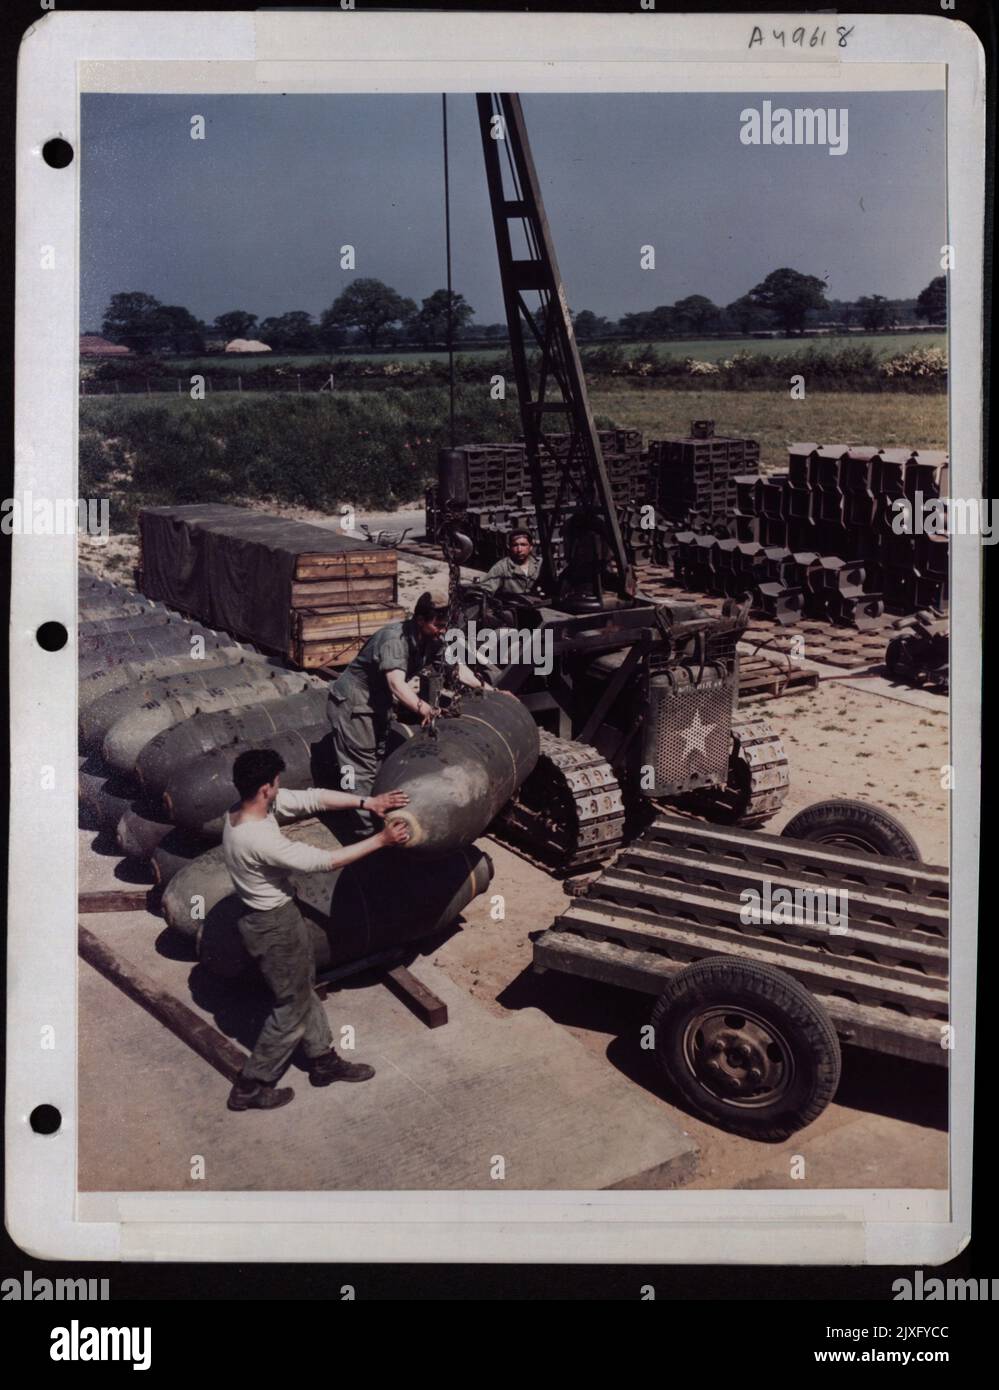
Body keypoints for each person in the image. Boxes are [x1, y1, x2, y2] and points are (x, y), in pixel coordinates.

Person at [222, 747, 410, 1112]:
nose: (280, 788)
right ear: (265, 788)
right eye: (276, 784)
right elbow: (323, 861)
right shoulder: (256, 837)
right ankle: (251, 1084)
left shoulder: (241, 810)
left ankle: (322, 1062)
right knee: (291, 1005)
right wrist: (382, 841)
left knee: (301, 988)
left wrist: (367, 802)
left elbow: (312, 799)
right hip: (272, 926)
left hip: (274, 918)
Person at [325, 589, 484, 806]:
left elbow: (456, 668)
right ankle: (358, 824)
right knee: (356, 769)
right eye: (438, 625)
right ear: (420, 620)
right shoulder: (394, 639)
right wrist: (425, 708)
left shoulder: (433, 638)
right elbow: (396, 684)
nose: (443, 630)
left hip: (378, 704)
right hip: (352, 704)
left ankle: (370, 810)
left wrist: (485, 688)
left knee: (378, 758)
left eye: (446, 625)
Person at [480, 531, 541, 596]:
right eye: (515, 545)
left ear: (531, 547)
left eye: (523, 545)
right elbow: (486, 591)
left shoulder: (539, 565)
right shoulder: (502, 567)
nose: (519, 550)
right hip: (509, 605)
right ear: (509, 547)